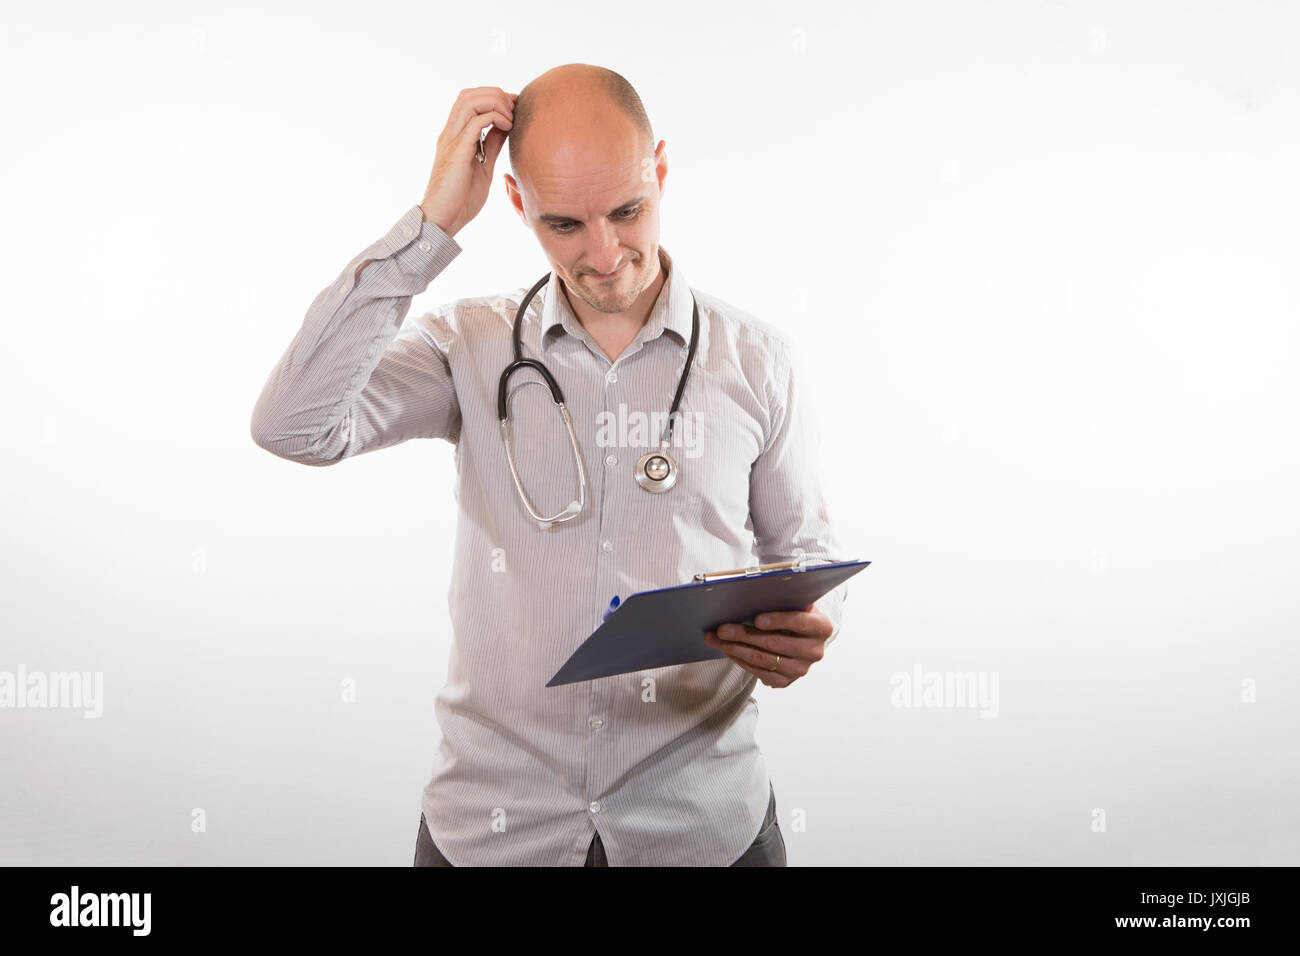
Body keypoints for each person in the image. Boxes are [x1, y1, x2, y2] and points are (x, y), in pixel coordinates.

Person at [250, 63, 850, 866]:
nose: (604, 255)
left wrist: (810, 631)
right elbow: (295, 427)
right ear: (516, 204)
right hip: (494, 830)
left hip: (700, 826)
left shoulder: (761, 362)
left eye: (629, 212)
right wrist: (431, 226)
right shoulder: (467, 346)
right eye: (564, 224)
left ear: (661, 172)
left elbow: (808, 558)